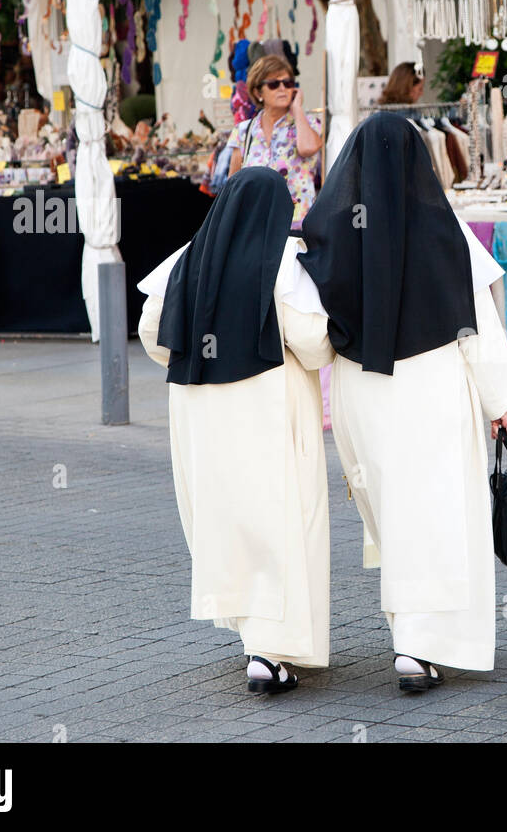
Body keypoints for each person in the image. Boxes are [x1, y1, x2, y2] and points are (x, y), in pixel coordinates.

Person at [298, 112, 507, 691]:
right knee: (439, 510)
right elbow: (481, 327)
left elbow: (313, 325)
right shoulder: (441, 230)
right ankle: (421, 644)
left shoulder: (329, 231)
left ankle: (408, 632)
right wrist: (498, 400)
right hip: (434, 389)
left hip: (362, 392)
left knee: (393, 510)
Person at [136, 167, 335, 694]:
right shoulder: (285, 265)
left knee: (228, 522)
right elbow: (315, 344)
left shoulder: (187, 258)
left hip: (200, 411)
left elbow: (152, 333)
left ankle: (254, 640)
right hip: (267, 409)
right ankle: (272, 652)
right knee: (283, 523)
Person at [226, 54, 323, 224]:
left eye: (288, 83)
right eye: (273, 84)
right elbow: (233, 186)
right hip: (256, 226)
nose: (282, 88)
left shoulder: (308, 124)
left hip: (299, 226)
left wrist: (297, 108)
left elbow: (308, 148)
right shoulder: (243, 131)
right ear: (258, 92)